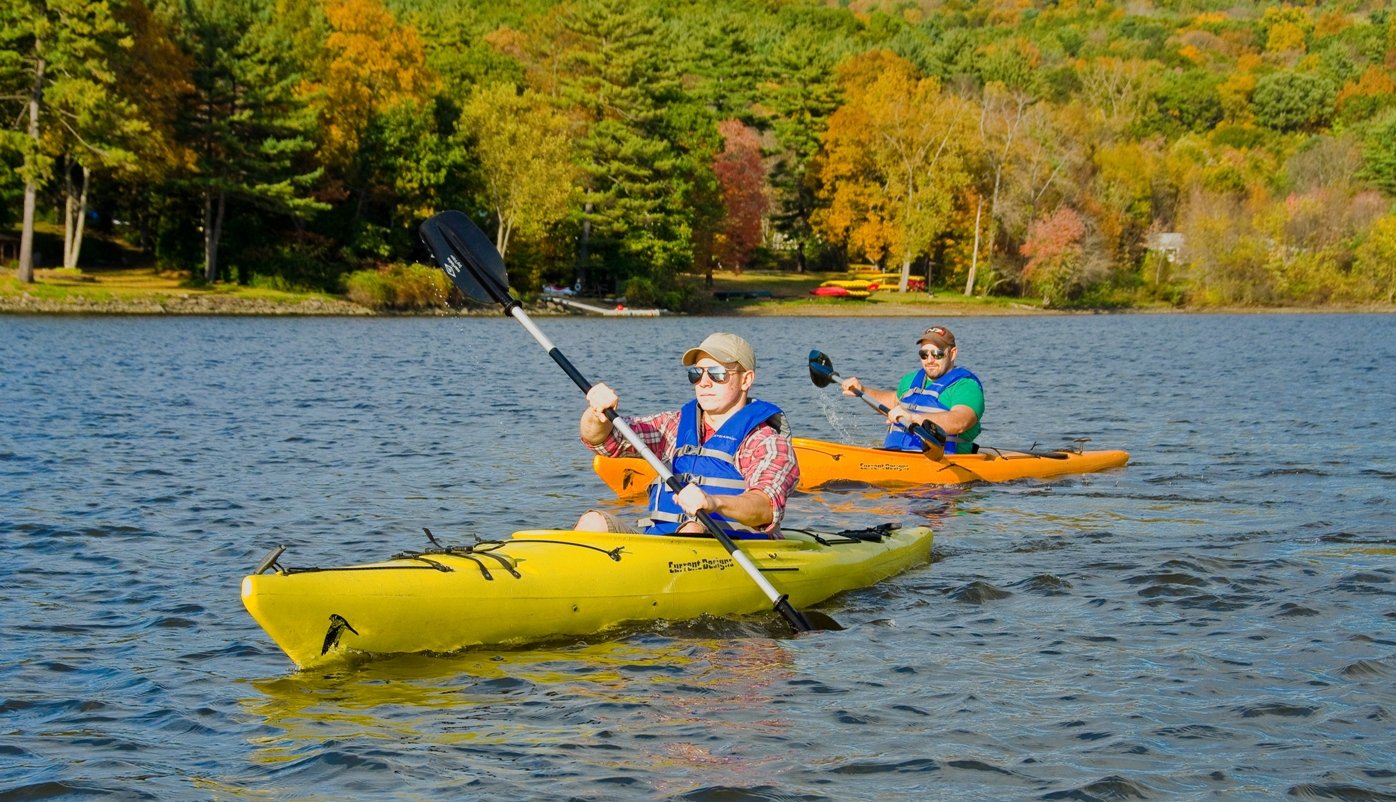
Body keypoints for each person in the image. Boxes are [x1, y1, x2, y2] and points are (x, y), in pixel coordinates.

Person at [576, 332, 799, 539]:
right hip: (662, 547)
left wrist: (713, 502)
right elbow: (604, 441)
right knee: (593, 522)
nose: (704, 382)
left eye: (717, 374)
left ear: (746, 380)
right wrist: (597, 414)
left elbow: (766, 508)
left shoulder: (766, 441)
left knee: (692, 529)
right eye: (696, 373)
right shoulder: (672, 426)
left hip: (732, 551)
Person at [839, 324, 984, 454]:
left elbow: (960, 421)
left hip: (945, 464)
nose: (930, 360)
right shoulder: (910, 380)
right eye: (924, 354)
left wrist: (914, 418)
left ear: (952, 354)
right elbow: (893, 401)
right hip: (898, 455)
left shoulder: (966, 386)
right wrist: (862, 390)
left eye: (937, 354)